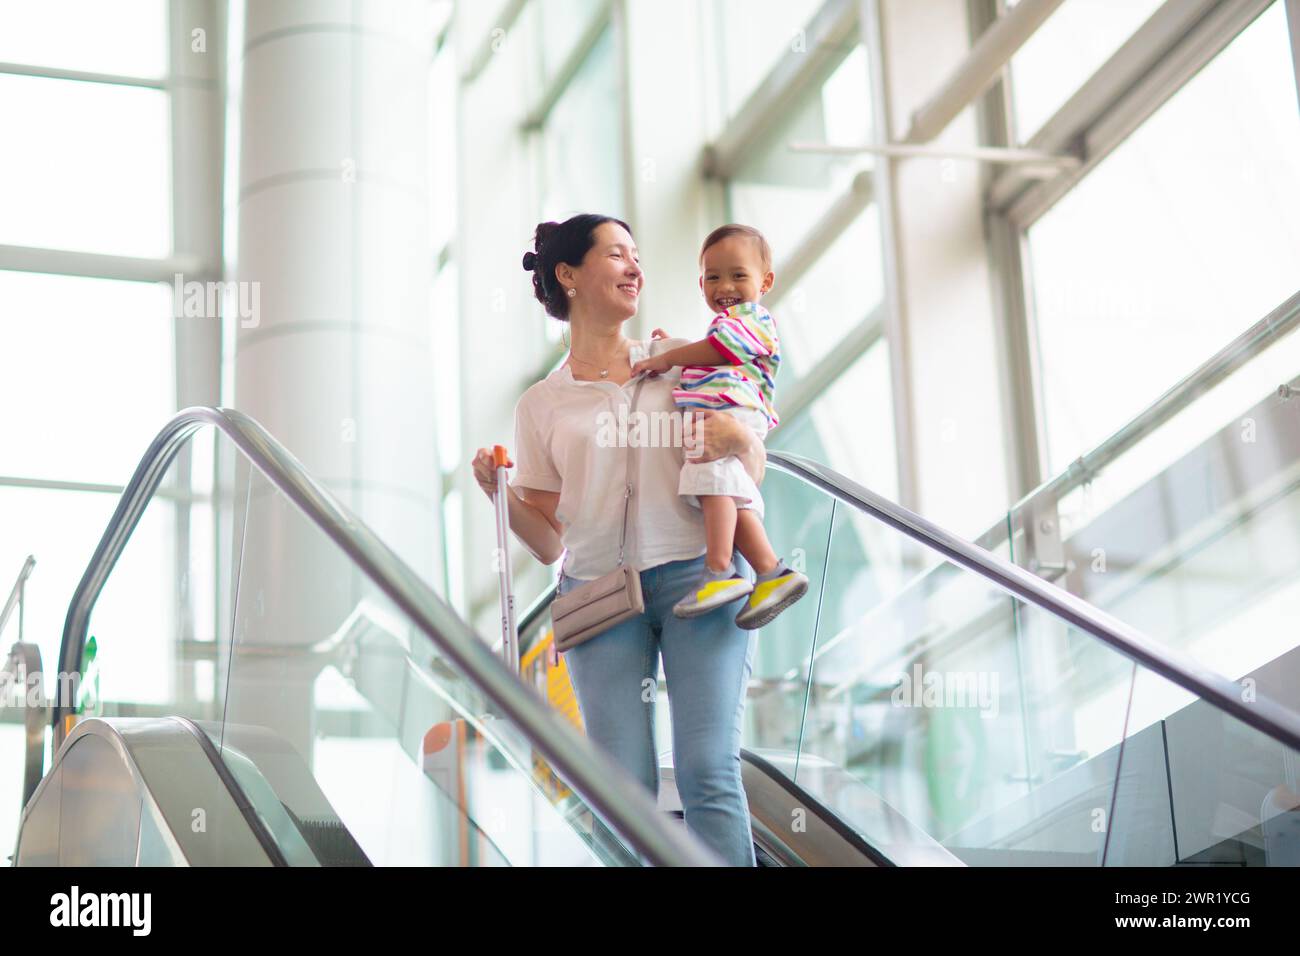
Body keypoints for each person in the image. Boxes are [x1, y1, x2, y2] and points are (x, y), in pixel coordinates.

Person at [469, 213, 764, 866]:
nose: (635, 266)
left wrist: (741, 437)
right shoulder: (541, 405)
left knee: (707, 771)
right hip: (599, 597)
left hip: (699, 576)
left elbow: (748, 467)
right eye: (615, 254)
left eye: (637, 254)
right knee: (619, 792)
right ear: (569, 275)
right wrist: (500, 496)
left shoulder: (679, 361)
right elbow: (548, 545)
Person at [630, 224, 809, 628]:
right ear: (701, 283)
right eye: (713, 277)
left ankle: (719, 570)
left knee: (710, 479)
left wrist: (667, 358)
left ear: (766, 281)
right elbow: (717, 349)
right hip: (729, 409)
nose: (724, 285)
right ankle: (770, 572)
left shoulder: (755, 317)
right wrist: (679, 346)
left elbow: (722, 349)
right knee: (728, 491)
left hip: (732, 413)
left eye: (738, 275)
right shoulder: (733, 322)